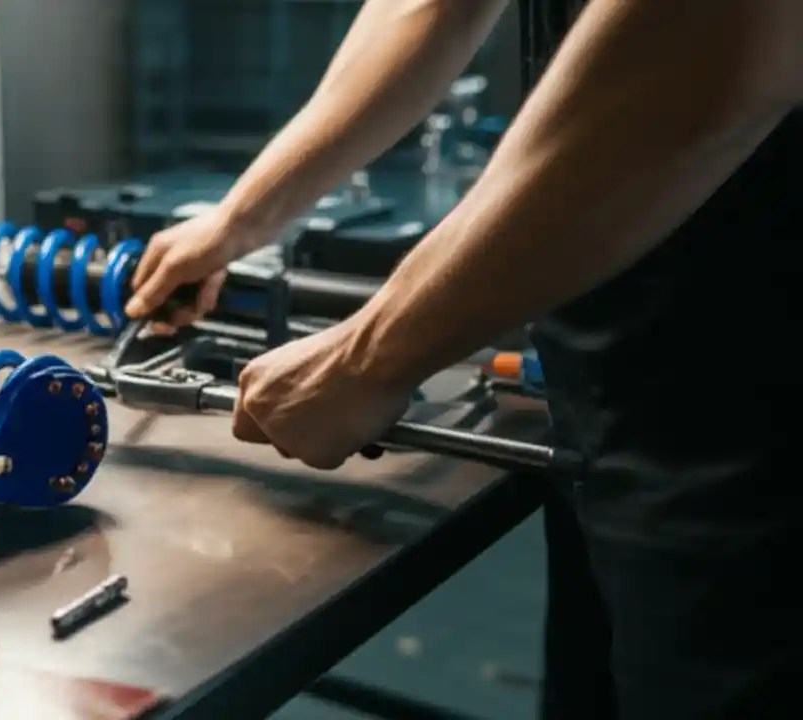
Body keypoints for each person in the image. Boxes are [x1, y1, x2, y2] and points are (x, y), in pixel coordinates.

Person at [124, 1, 803, 717]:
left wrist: (365, 358)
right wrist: (242, 217)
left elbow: (710, 54)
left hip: (764, 420)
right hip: (614, 402)